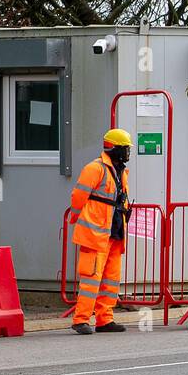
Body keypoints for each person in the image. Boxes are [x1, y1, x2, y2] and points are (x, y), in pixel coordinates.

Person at [68, 129, 132, 334]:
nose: (128, 153)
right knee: (91, 279)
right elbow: (78, 196)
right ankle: (81, 319)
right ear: (114, 149)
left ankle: (105, 319)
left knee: (110, 280)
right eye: (125, 149)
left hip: (114, 232)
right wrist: (75, 217)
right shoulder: (95, 168)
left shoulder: (120, 170)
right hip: (95, 235)